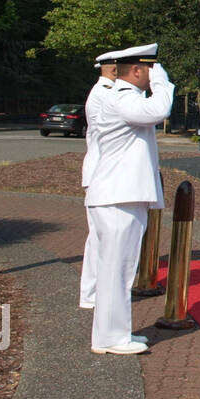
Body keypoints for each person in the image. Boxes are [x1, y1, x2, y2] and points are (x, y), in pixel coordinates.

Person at [84, 43, 173, 354]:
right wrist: (162, 81)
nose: (152, 75)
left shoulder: (125, 98)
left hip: (122, 195)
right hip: (117, 196)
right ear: (137, 70)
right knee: (115, 271)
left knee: (120, 270)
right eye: (150, 69)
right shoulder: (122, 98)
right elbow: (160, 110)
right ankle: (109, 338)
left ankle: (116, 334)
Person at [79, 49, 118, 310]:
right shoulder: (105, 94)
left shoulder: (106, 92)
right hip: (100, 172)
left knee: (102, 236)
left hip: (102, 172)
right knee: (99, 237)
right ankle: (91, 292)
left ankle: (95, 290)